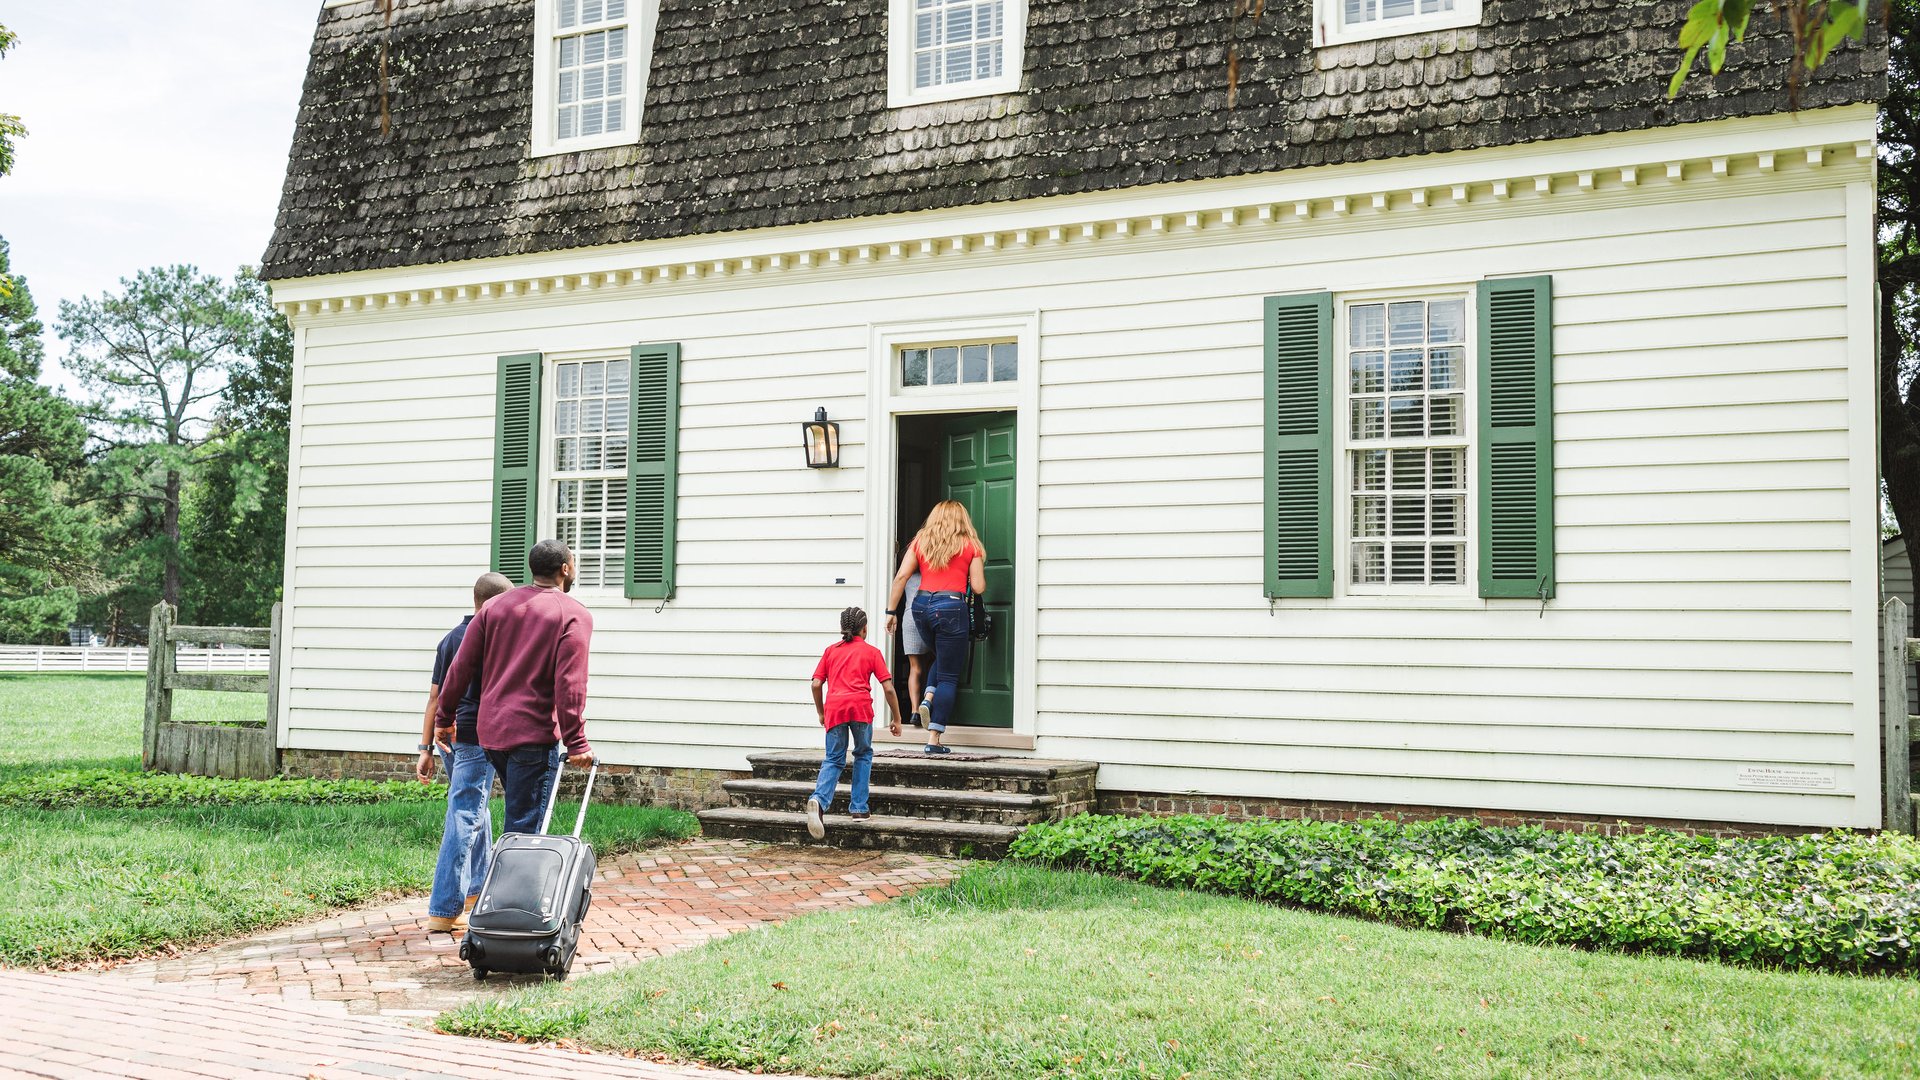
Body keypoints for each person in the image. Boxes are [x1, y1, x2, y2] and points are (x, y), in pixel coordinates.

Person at [435, 539, 595, 838]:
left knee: (519, 817)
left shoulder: (494, 606)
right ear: (565, 569)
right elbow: (570, 684)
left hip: (492, 733)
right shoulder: (574, 614)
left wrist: (444, 718)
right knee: (524, 830)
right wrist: (577, 742)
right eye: (573, 563)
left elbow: (461, 666)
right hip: (532, 735)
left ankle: (503, 866)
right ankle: (514, 870)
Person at [415, 571, 513, 934]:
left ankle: (475, 891)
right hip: (476, 735)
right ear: (496, 603)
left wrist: (425, 748)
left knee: (476, 808)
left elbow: (434, 698)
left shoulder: (449, 639)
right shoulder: (494, 638)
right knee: (465, 813)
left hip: (448, 737)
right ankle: (444, 908)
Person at [885, 500, 986, 754]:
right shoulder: (970, 545)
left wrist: (891, 612)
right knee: (949, 677)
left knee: (942, 655)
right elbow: (978, 587)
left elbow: (901, 576)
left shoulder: (921, 541)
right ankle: (933, 739)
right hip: (950, 606)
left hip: (920, 606)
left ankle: (928, 697)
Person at [806, 607, 903, 839]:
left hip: (835, 709)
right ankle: (859, 808)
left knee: (833, 758)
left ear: (843, 628)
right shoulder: (872, 652)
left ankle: (819, 801)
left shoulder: (831, 651)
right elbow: (888, 688)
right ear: (864, 629)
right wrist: (897, 718)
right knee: (863, 754)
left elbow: (816, 684)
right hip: (860, 708)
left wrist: (821, 712)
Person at [899, 567, 931, 728]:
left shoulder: (907, 574)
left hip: (910, 616)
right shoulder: (933, 572)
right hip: (929, 614)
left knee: (915, 667)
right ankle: (928, 703)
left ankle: (914, 711)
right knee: (932, 664)